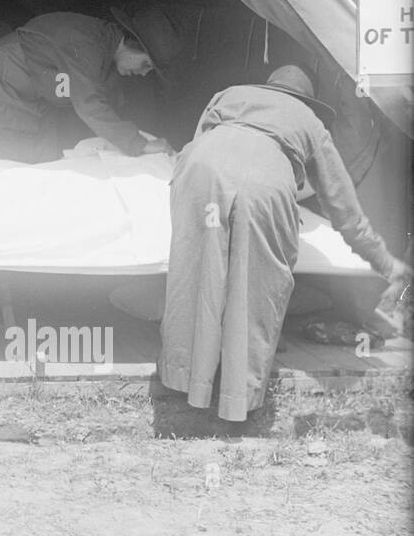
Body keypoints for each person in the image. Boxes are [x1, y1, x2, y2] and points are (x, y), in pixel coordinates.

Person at [160, 65, 411, 422]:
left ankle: (185, 385)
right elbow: (342, 208)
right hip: (263, 180)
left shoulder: (228, 95)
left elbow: (198, 140)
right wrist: (385, 261)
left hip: (200, 169)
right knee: (256, 288)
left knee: (196, 276)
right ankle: (235, 406)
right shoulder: (310, 121)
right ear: (305, 96)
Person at [0, 7, 182, 162]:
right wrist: (139, 144)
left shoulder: (103, 44)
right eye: (146, 64)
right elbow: (90, 106)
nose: (142, 74)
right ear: (134, 46)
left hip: (29, 94)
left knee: (43, 158)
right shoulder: (89, 44)